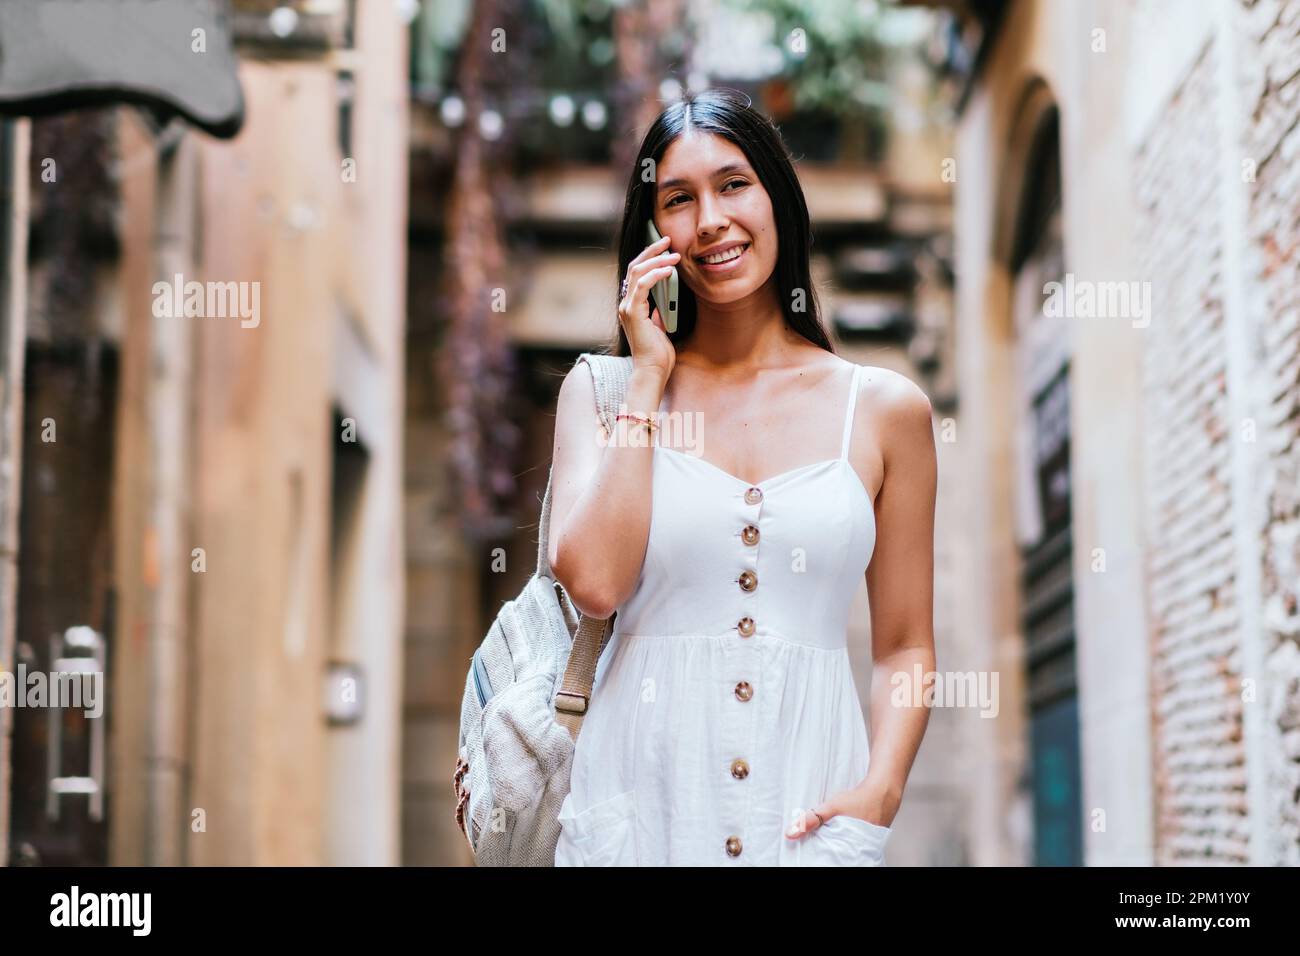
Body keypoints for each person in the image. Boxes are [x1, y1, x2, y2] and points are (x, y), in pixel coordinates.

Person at [546, 88, 937, 866]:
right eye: (678, 200)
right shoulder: (602, 392)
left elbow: (904, 645)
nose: (711, 221)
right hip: (639, 812)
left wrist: (882, 791)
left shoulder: (885, 410)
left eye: (733, 185)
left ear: (777, 198)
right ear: (652, 232)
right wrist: (649, 378)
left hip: (810, 820)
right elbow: (592, 580)